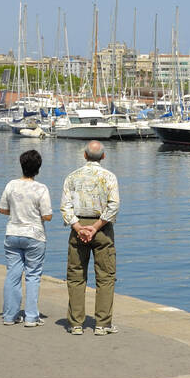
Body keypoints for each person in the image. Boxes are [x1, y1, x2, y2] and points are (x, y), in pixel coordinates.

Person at [61, 140, 120, 335]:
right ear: (103, 156)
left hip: (78, 228)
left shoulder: (72, 177)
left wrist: (79, 228)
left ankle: (76, 323)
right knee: (105, 276)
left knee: (76, 275)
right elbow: (113, 206)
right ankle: (102, 324)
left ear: (84, 155)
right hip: (102, 228)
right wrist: (94, 228)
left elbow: (65, 206)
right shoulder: (109, 177)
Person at [0, 149, 54, 327]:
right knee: (33, 276)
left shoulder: (11, 185)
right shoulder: (41, 188)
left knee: (12, 275)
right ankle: (31, 317)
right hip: (35, 235)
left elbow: (2, 209)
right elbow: (47, 216)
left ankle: (9, 315)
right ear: (38, 168)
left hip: (13, 232)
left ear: (21, 166)